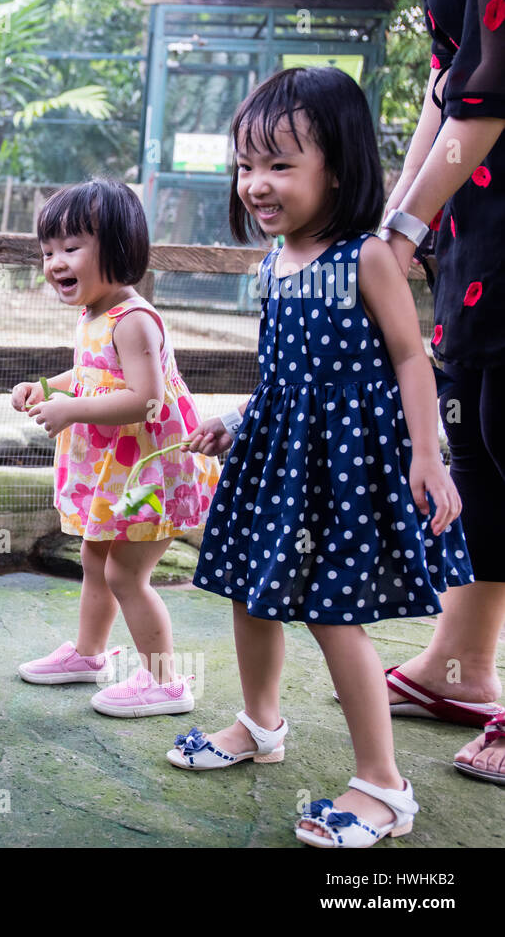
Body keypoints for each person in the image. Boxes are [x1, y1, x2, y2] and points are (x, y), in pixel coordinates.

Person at [172, 66, 472, 847]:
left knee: (334, 615)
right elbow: (283, 375)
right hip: (279, 458)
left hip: (347, 466)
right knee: (249, 590)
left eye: (279, 163)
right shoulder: (273, 264)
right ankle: (259, 725)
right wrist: (238, 420)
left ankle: (384, 786)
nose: (256, 184)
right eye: (246, 164)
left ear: (336, 166)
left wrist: (427, 455)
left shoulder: (366, 257)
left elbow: (411, 359)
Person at [12, 179, 221, 717]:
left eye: (71, 247)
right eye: (48, 251)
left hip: (150, 471)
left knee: (125, 574)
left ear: (119, 247)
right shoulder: (95, 314)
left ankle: (165, 683)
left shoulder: (133, 319)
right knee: (94, 557)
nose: (56, 261)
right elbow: (90, 373)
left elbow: (145, 400)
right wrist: (48, 389)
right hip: (119, 472)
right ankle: (90, 653)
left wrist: (70, 411)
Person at [376, 0, 505, 785]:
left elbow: (494, 85)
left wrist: (405, 227)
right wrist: (390, 231)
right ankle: (461, 664)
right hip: (481, 225)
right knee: (483, 448)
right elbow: (450, 77)